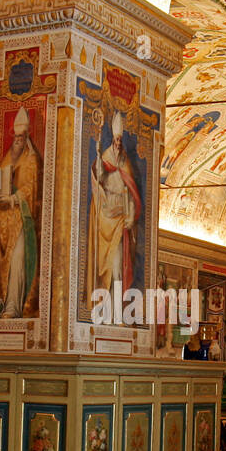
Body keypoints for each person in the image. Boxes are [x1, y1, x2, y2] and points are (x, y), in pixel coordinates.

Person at [0, 106, 41, 318]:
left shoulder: (32, 159)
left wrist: (14, 198)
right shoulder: (7, 159)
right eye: (16, 136)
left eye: (22, 136)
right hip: (5, 222)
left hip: (23, 220)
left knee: (18, 259)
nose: (18, 140)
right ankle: (5, 304)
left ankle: (15, 305)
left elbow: (32, 187)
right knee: (6, 263)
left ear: (27, 136)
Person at [86, 110, 141, 307]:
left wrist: (131, 216)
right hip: (105, 220)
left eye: (120, 140)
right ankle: (105, 305)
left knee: (118, 265)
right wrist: (99, 162)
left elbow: (132, 194)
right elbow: (98, 178)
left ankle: (117, 309)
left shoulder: (125, 164)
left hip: (120, 221)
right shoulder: (105, 158)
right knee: (107, 265)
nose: (118, 143)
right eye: (116, 140)